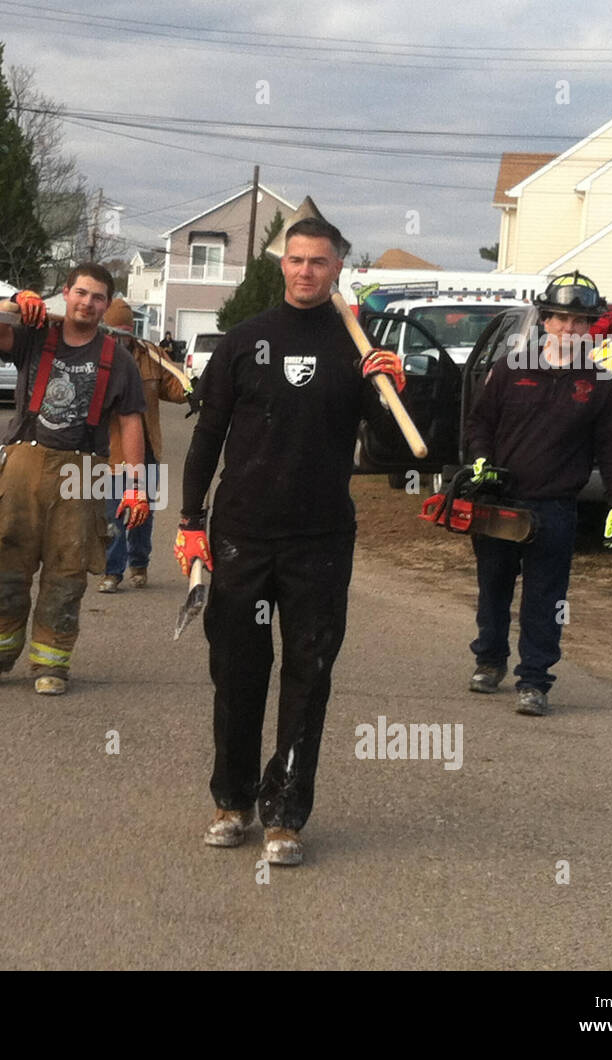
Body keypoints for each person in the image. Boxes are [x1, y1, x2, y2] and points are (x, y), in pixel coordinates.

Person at [174, 217, 406, 866]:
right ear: (283, 265)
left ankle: (286, 816)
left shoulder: (358, 350)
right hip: (243, 536)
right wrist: (191, 521)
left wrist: (390, 393)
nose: (306, 271)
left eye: (320, 261)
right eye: (297, 259)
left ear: (338, 269)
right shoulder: (245, 342)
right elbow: (206, 439)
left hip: (321, 541)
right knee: (239, 674)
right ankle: (232, 801)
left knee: (309, 677)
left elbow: (388, 453)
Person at [0, 264, 148, 696]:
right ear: (65, 294)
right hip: (23, 461)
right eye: (81, 293)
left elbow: (131, 423)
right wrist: (17, 300)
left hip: (84, 471)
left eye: (98, 297)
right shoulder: (34, 336)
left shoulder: (117, 358)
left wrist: (138, 487)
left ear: (106, 305)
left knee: (68, 575)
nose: (88, 302)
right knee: (9, 566)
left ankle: (51, 664)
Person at [465, 271, 612, 716]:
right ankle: (490, 660)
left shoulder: (599, 381)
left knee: (546, 598)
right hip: (501, 501)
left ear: (591, 326)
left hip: (555, 508)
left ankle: (534, 681)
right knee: (494, 586)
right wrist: (479, 457)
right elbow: (479, 423)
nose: (570, 329)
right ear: (546, 320)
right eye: (561, 319)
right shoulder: (510, 368)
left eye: (580, 322)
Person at [97, 298, 193, 593]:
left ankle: (139, 565)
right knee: (112, 513)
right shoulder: (96, 356)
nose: (120, 337)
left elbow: (174, 388)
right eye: (113, 331)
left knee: (142, 513)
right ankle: (112, 572)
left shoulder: (152, 355)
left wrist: (193, 389)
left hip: (148, 449)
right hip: (111, 452)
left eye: (125, 330)